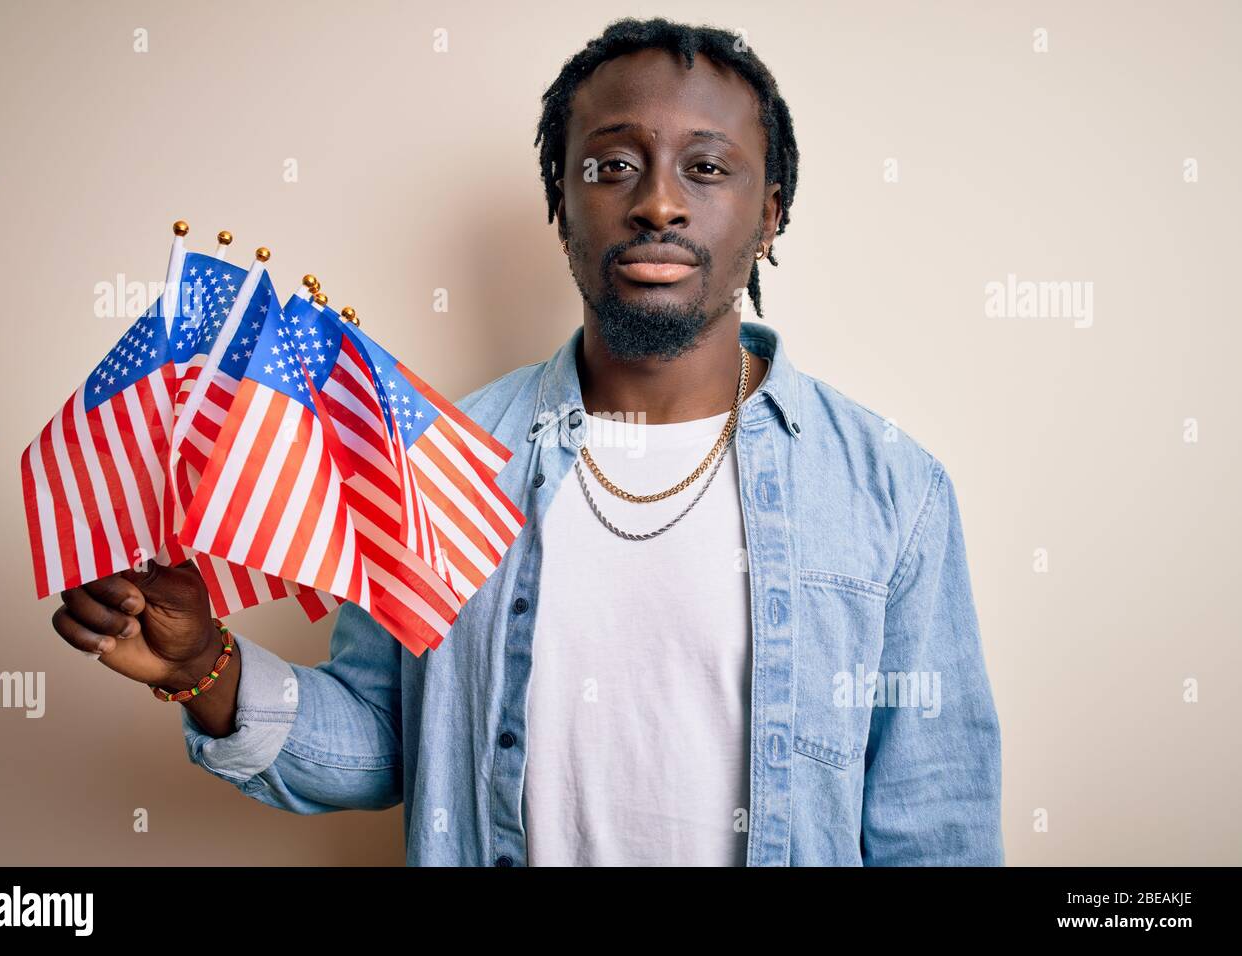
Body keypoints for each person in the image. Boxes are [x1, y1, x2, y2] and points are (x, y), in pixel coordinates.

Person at [51, 16, 1003, 867]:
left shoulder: (890, 489)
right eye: (612, 164)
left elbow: (937, 824)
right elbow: (389, 743)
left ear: (771, 211)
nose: (658, 204)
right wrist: (202, 665)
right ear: (561, 199)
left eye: (707, 167)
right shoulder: (437, 460)